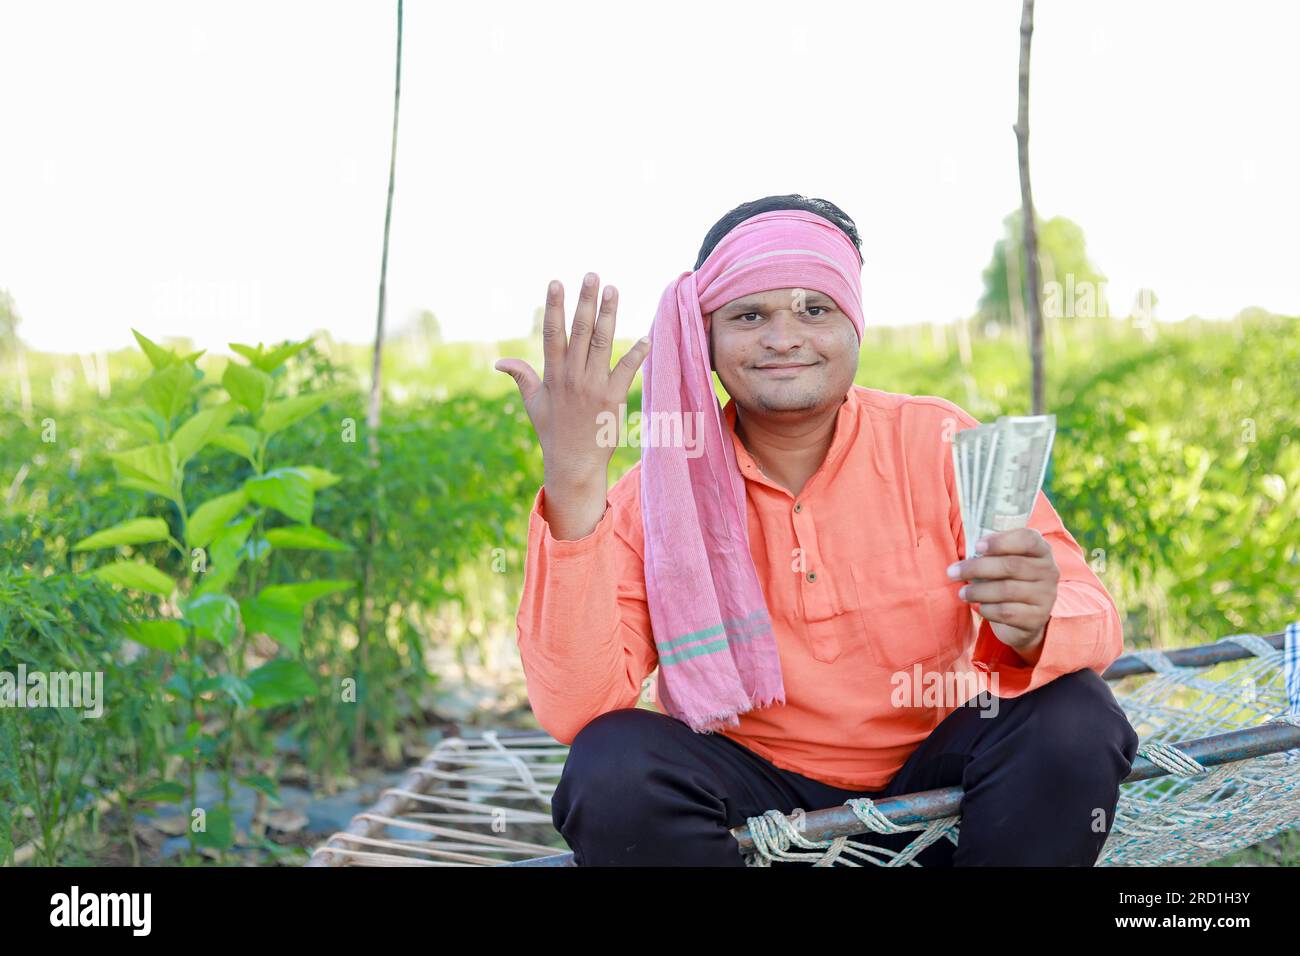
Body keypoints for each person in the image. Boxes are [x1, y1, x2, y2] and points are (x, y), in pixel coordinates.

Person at [494, 194, 1140, 866]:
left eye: (814, 309)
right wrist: (573, 481)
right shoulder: (654, 498)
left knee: (1074, 715)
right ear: (704, 339)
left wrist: (1036, 620)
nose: (783, 338)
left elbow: (1093, 616)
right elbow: (578, 709)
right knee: (613, 767)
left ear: (853, 324)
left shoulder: (937, 441)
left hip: (944, 791)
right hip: (754, 806)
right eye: (749, 315)